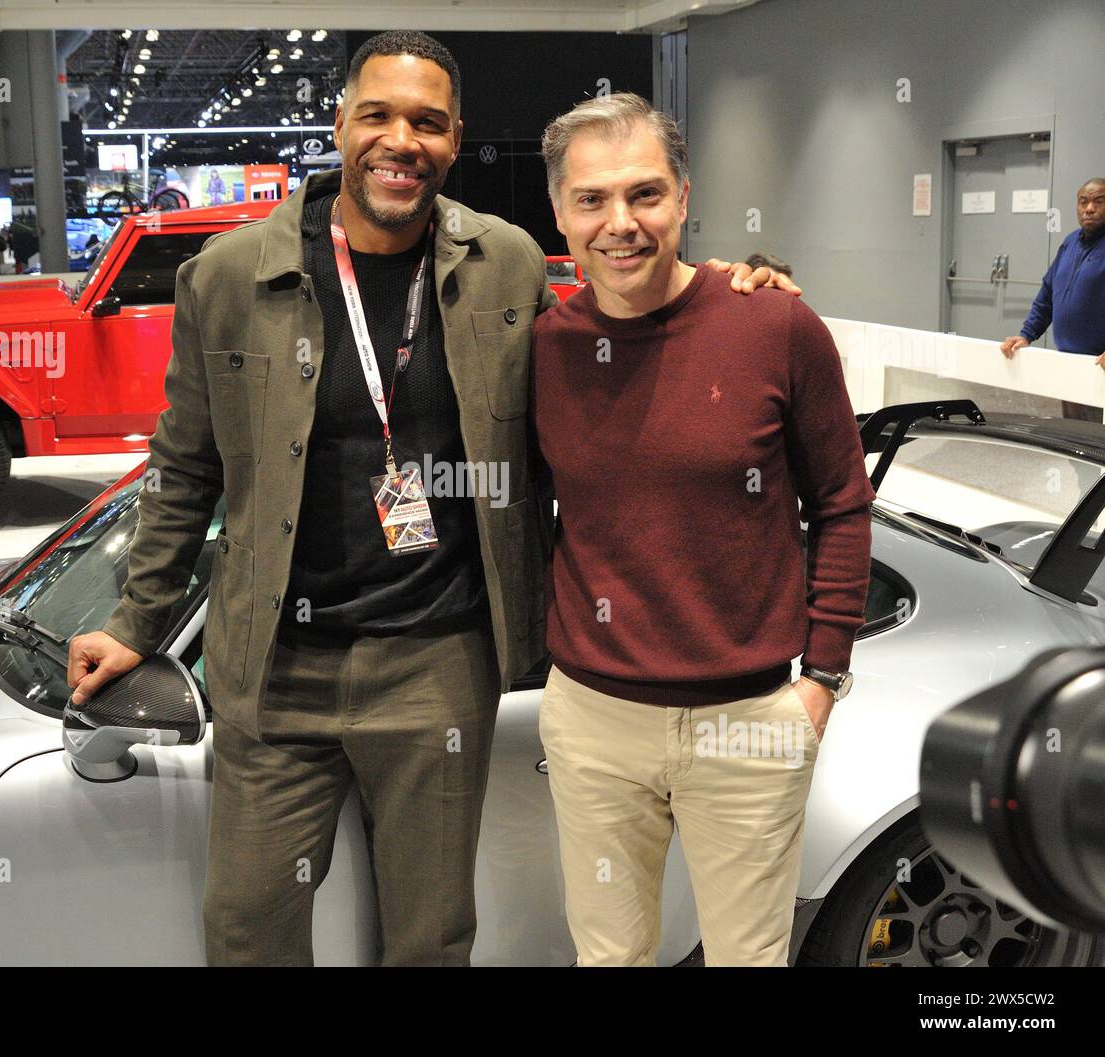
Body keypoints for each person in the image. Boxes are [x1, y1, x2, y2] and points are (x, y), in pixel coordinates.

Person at [66, 32, 790, 967]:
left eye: (427, 122)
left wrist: (737, 288)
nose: (400, 140)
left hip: (439, 660)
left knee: (432, 935)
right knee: (246, 928)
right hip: (276, 663)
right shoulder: (230, 277)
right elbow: (182, 467)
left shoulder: (508, 263)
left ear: (455, 141)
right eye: (378, 115)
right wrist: (139, 617)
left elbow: (627, 322)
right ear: (340, 126)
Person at [531, 93, 874, 966]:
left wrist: (822, 677)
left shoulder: (775, 323)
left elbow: (841, 500)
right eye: (592, 200)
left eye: (645, 194)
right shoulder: (544, 348)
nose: (621, 224)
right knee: (609, 957)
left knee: (749, 959)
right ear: (559, 212)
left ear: (684, 197)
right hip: (596, 718)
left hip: (751, 717)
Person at [1000, 177, 1105, 421]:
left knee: (1099, 441)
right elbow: (1047, 295)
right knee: (1075, 436)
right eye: (1083, 202)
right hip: (1068, 361)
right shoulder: (1069, 243)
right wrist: (1027, 334)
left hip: (1100, 366)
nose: (1089, 208)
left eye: (1099, 201)